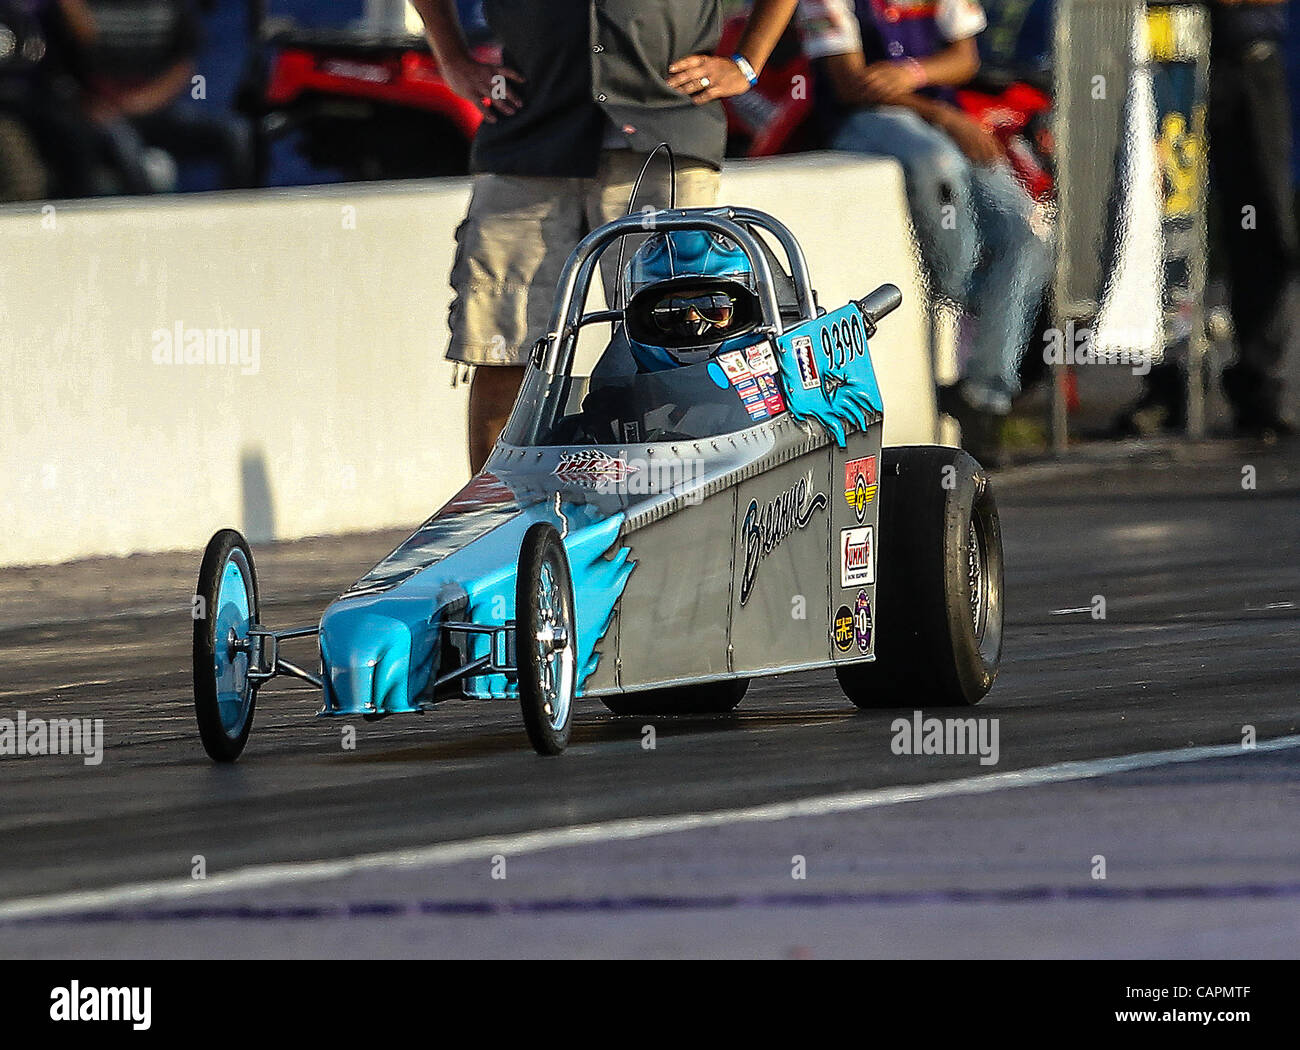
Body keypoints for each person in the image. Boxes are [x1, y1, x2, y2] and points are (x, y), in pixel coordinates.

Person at [410, 0, 799, 472]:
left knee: (684, 339)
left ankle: (682, 510)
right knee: (502, 342)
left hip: (669, 126)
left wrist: (746, 62)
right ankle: (501, 522)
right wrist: (451, 61)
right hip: (529, 133)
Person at [797, 0, 1053, 464]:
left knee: (1027, 233)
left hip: (940, 116)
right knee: (938, 163)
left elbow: (965, 58)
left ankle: (983, 397)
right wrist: (941, 113)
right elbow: (852, 84)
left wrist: (916, 75)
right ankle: (961, 290)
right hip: (864, 122)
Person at [1208, 0, 1295, 438]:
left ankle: (1259, 385)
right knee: (1165, 224)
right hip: (1168, 61)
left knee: (1265, 230)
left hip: (1248, 62)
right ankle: (1164, 383)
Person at [82, 0, 254, 192]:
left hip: (157, 108)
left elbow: (184, 62)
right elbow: (69, 60)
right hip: (100, 114)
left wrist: (143, 101)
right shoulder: (79, 8)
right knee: (125, 145)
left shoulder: (172, 6)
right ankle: (144, 219)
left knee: (237, 133)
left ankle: (235, 216)